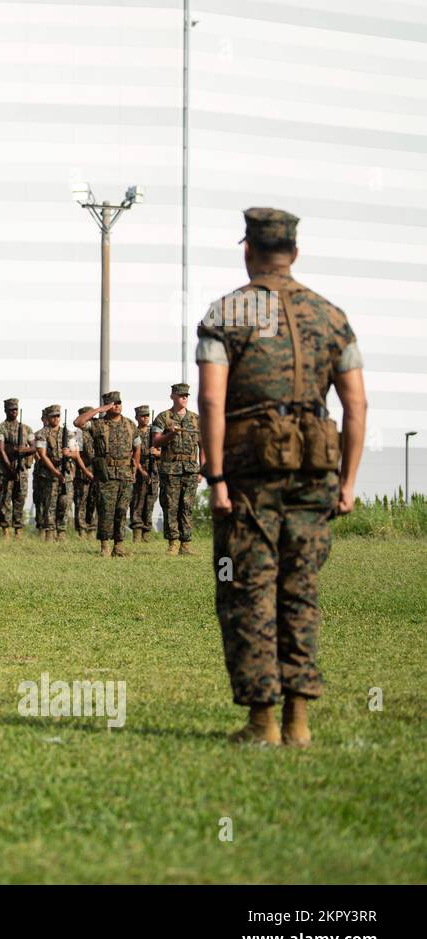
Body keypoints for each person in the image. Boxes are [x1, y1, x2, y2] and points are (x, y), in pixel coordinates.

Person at [198, 207, 366, 747]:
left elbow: (210, 399)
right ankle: (299, 724)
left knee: (248, 589)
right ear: (295, 252)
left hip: (251, 476)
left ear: (247, 249)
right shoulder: (331, 316)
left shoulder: (227, 313)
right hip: (315, 473)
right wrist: (348, 482)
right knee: (301, 590)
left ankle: (261, 724)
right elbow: (356, 405)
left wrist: (216, 478)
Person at [75, 391, 139, 557]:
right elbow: (78, 422)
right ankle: (104, 546)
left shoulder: (130, 425)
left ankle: (119, 546)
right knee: (106, 510)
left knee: (121, 510)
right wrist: (99, 409)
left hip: (125, 474)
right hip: (106, 474)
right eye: (113, 403)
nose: (117, 406)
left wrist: (135, 468)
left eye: (119, 402)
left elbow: (137, 447)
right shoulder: (98, 424)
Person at [153, 382, 202, 554]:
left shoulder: (196, 419)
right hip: (170, 468)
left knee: (187, 506)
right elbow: (156, 441)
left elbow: (203, 445)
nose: (184, 398)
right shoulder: (163, 417)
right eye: (181, 395)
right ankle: (173, 542)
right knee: (170, 505)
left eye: (186, 395)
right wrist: (170, 434)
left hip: (190, 468)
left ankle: (186, 544)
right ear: (172, 396)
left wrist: (202, 468)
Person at [0, 398, 34, 538]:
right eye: (11, 409)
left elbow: (35, 447)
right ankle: (5, 530)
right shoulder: (0, 428)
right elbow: (1, 449)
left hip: (21, 470)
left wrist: (24, 450)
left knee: (20, 499)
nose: (14, 412)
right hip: (5, 471)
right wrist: (9, 467)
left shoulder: (26, 429)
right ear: (5, 410)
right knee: (5, 500)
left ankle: (18, 529)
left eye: (15, 409)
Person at [32, 404, 74, 541]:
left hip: (66, 474)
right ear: (48, 418)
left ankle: (61, 532)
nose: (56, 419)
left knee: (64, 503)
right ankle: (49, 533)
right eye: (53, 416)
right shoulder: (41, 434)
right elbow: (42, 456)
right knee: (49, 504)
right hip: (49, 475)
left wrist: (70, 453)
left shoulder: (68, 433)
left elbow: (76, 454)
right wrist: (56, 473)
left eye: (58, 416)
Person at [130, 405, 158, 542]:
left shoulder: (155, 432)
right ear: (136, 417)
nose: (145, 418)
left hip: (154, 471)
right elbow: (131, 454)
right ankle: (136, 533)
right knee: (137, 502)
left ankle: (146, 533)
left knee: (150, 502)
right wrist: (141, 471)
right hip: (138, 470)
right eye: (142, 416)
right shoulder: (133, 432)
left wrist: (156, 452)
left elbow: (165, 451)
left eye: (147, 415)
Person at [73, 406, 98, 536]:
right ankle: (82, 531)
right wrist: (86, 471)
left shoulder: (96, 431)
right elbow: (77, 456)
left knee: (94, 501)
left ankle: (92, 529)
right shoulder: (78, 434)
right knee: (81, 501)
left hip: (97, 472)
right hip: (83, 473)